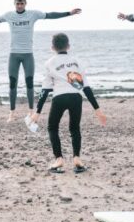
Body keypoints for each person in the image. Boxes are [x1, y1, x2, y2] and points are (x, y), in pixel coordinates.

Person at [0, 0, 81, 122]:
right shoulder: (9, 15)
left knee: (29, 83)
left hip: (28, 54)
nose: (20, 6)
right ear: (14, 4)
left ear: (25, 3)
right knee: (13, 83)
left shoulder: (33, 14)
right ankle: (12, 113)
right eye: (17, 4)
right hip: (14, 54)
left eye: (22, 3)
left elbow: (50, 15)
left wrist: (69, 13)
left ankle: (30, 112)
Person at [30, 33, 106, 173]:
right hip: (76, 97)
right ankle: (77, 158)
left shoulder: (49, 63)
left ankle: (59, 159)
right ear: (68, 46)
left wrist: (37, 112)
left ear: (52, 47)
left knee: (52, 128)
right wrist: (98, 110)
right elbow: (86, 87)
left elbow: (45, 90)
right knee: (75, 128)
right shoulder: (77, 61)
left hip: (59, 97)